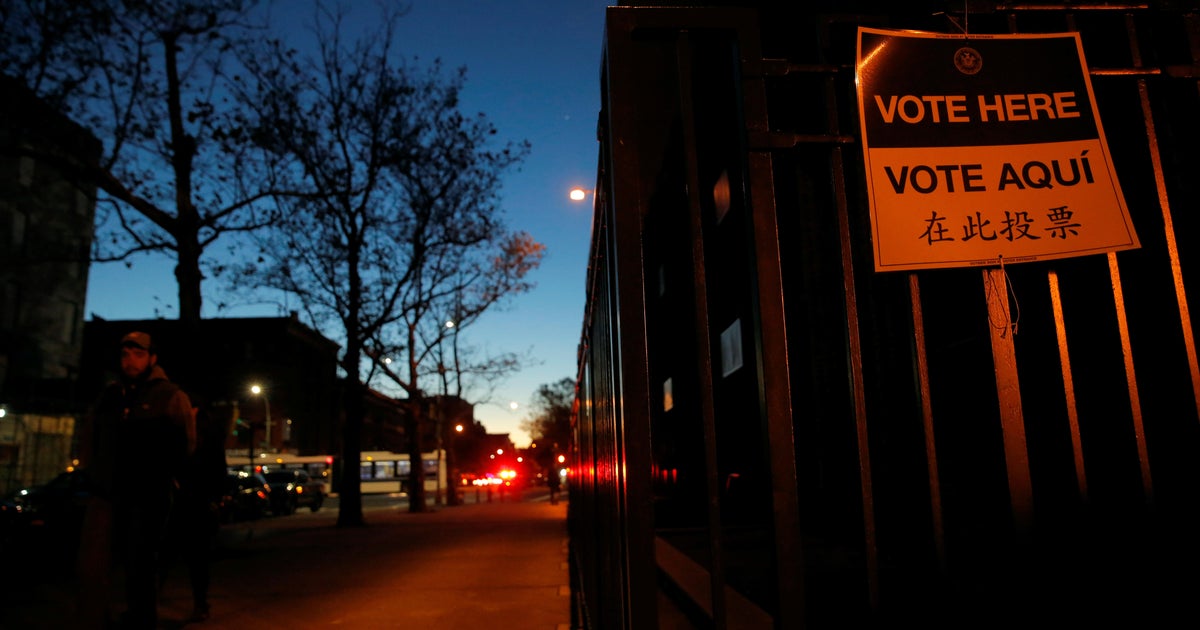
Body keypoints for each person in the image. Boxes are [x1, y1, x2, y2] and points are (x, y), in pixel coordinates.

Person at [75, 331, 196, 629]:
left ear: (152, 358)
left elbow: (186, 442)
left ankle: (141, 617)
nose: (130, 361)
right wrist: (92, 472)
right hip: (107, 491)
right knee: (97, 562)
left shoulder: (169, 396)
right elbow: (91, 438)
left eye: (138, 354)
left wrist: (164, 475)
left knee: (140, 561)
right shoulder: (111, 396)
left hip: (147, 493)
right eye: (125, 355)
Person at [159, 396, 227, 623]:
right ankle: (150, 602)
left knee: (193, 559)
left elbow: (217, 472)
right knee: (169, 557)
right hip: (185, 504)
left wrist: (212, 499)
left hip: (195, 505)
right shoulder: (182, 433)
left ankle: (200, 603)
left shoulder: (205, 437)